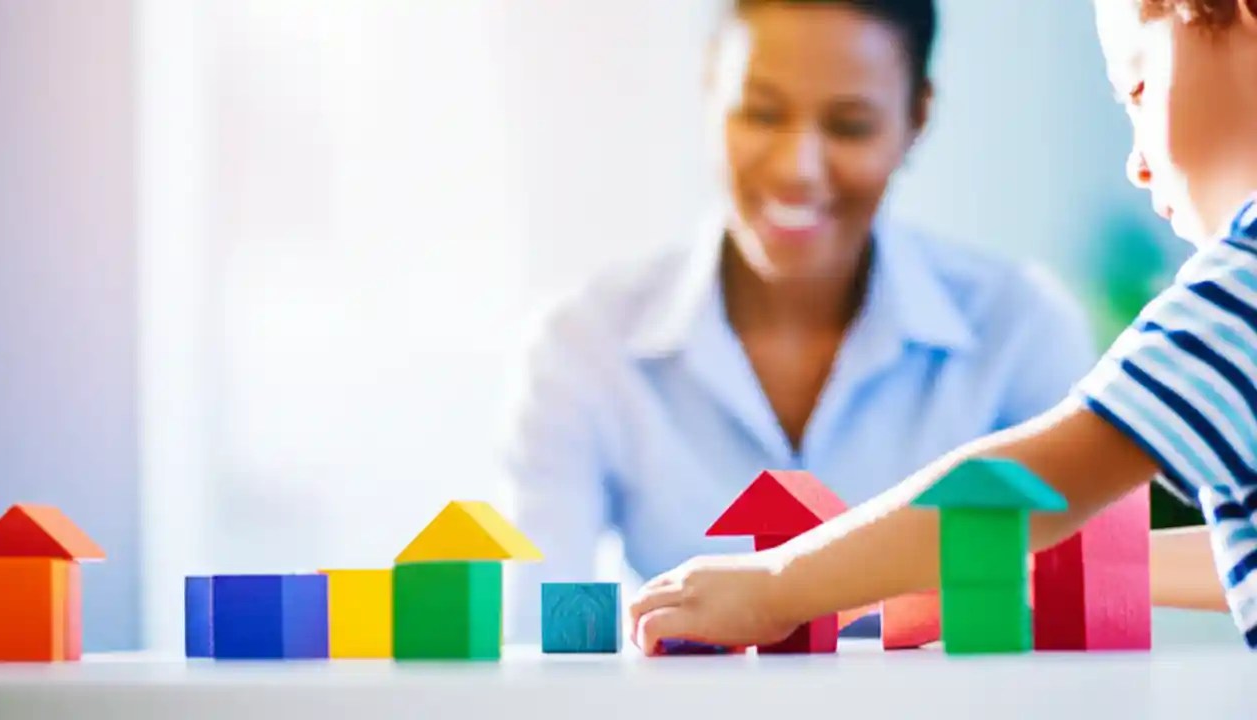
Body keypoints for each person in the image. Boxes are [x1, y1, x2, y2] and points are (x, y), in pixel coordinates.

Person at [628, 0, 1257, 653]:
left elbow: (1032, 479)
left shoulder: (1241, 287)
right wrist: (1009, 574)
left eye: (1137, 88)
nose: (1138, 164)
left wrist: (775, 586)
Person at [499, 0, 1096, 640]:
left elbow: (1080, 618)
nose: (797, 168)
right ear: (709, 88)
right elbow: (536, 636)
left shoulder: (1018, 331)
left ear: (916, 118)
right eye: (761, 114)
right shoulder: (585, 344)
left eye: (849, 126)